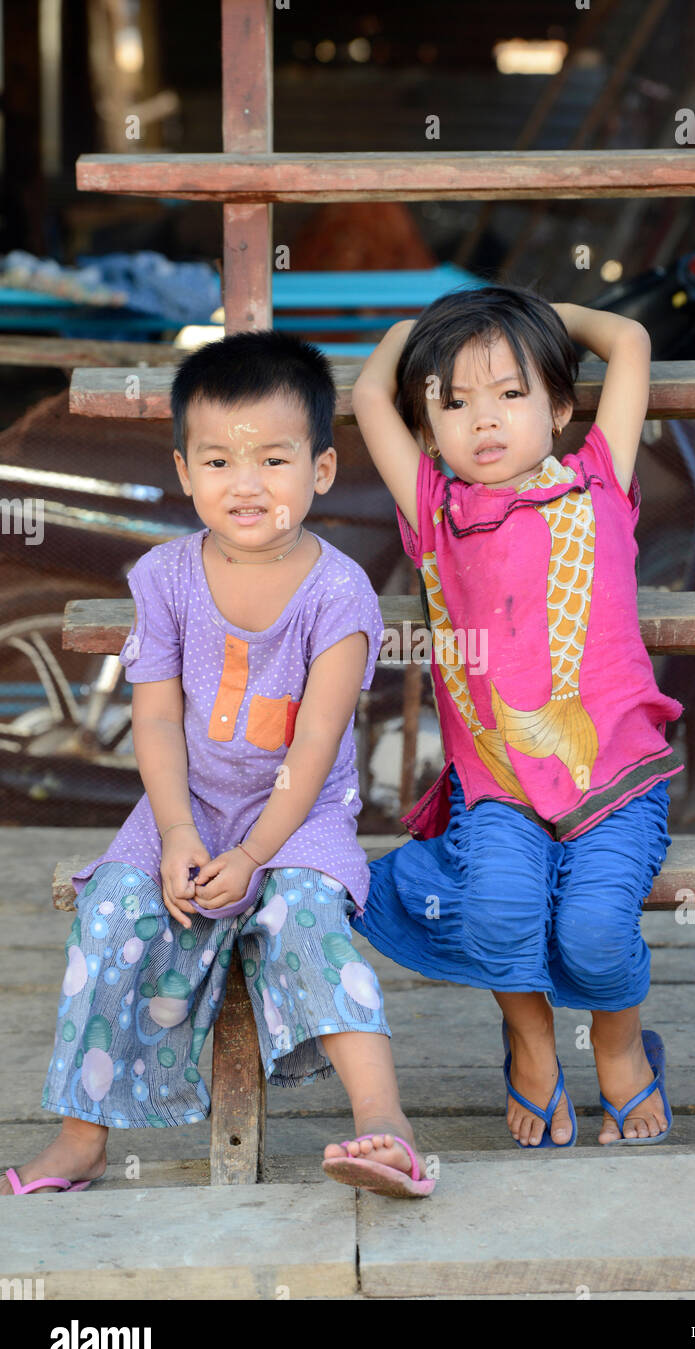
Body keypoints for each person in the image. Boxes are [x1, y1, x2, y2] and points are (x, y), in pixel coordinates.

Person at [2, 331, 433, 1199]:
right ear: (184, 471)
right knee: (112, 915)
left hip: (299, 813)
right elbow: (155, 716)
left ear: (318, 471)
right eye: (219, 460)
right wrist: (175, 834)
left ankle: (384, 1125)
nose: (246, 483)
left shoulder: (337, 590)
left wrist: (254, 853)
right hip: (186, 801)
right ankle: (83, 1138)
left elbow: (314, 745)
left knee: (307, 914)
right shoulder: (163, 577)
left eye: (273, 459)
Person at [349, 286, 684, 1149]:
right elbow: (365, 395)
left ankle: (617, 1040)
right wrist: (412, 330)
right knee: (499, 911)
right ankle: (531, 1044)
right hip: (496, 785)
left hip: (611, 777)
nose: (482, 422)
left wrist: (548, 313)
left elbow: (631, 339)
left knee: (597, 929)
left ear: (560, 407)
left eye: (509, 393)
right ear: (427, 430)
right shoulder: (435, 511)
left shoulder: (598, 477)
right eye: (454, 405)